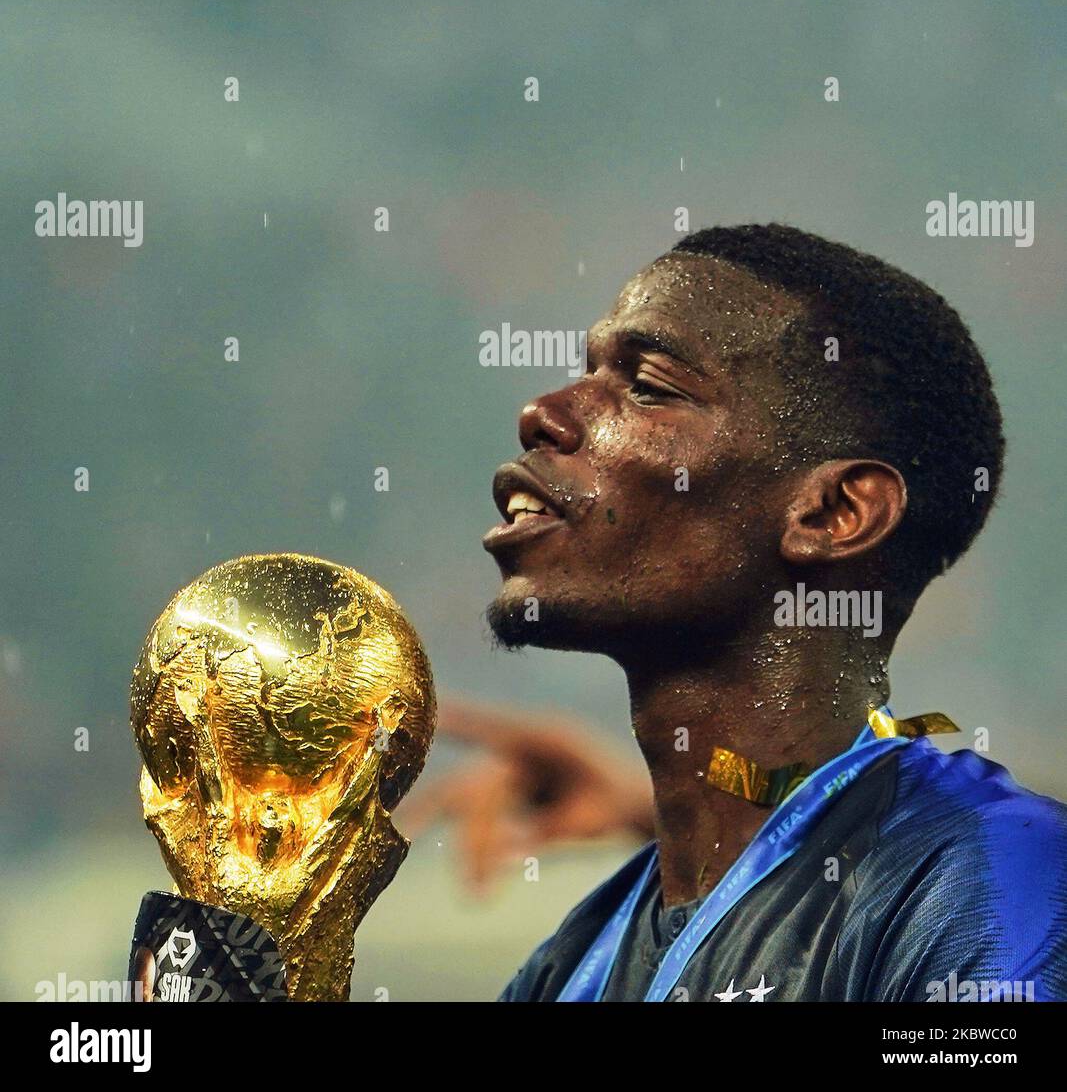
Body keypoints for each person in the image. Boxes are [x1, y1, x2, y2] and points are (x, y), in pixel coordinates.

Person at [405, 223, 1067, 1002]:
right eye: (585, 370)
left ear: (832, 513)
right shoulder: (575, 961)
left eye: (647, 385)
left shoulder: (992, 878)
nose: (542, 412)